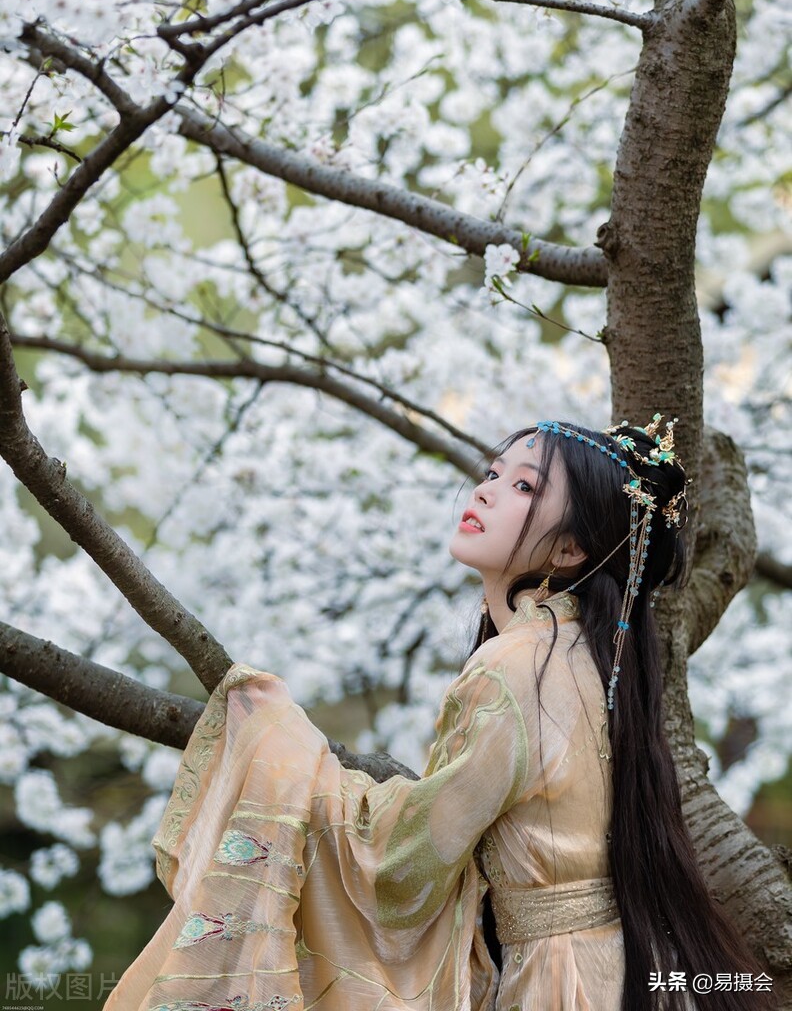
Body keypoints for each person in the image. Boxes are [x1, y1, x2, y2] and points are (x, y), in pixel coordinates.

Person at [105, 418, 773, 1011]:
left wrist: (282, 746)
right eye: (492, 474)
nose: (483, 491)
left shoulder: (515, 667)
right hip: (629, 963)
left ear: (571, 551)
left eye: (524, 489)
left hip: (558, 981)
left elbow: (403, 861)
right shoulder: (591, 658)